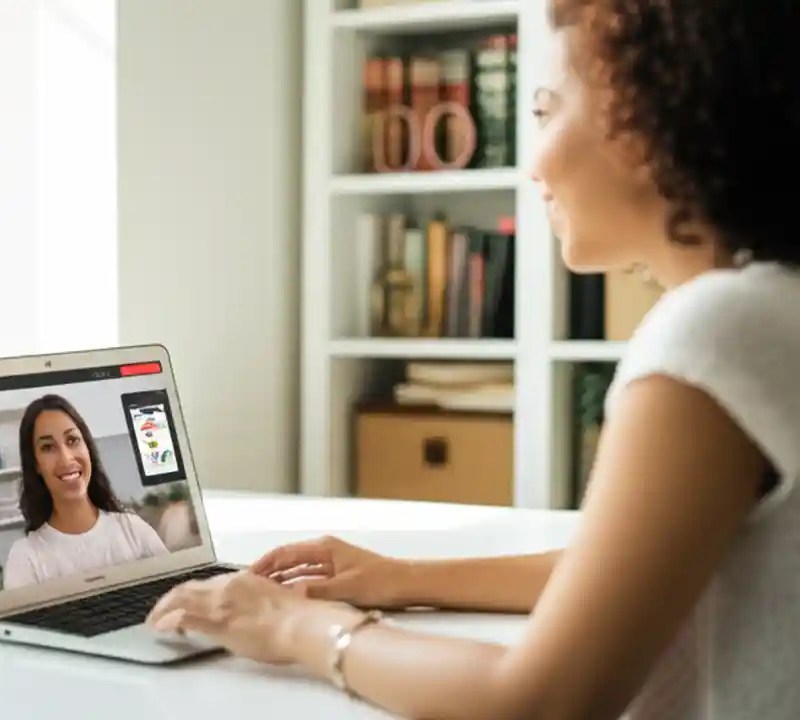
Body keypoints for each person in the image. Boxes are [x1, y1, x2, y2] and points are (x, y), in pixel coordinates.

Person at [147, 1, 800, 717]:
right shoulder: (774, 310)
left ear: (641, 123)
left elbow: (540, 700)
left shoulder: (715, 333)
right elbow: (630, 570)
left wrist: (292, 626)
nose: (532, 165)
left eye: (546, 113)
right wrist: (399, 577)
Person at [4, 394, 169, 589]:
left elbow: (177, 600)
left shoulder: (133, 529)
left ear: (88, 448)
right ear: (36, 464)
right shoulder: (25, 558)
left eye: (72, 440)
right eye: (48, 447)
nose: (66, 459)